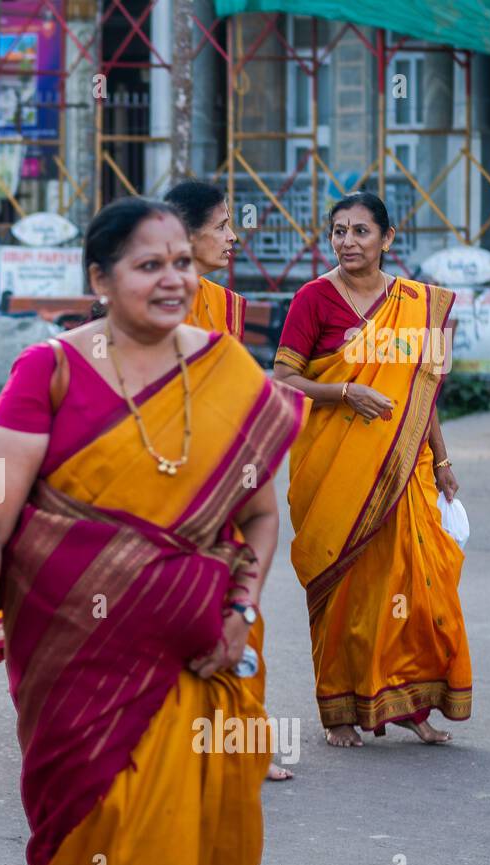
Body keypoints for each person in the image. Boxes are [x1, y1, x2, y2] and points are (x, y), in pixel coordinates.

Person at [0, 198, 303, 865]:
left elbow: (261, 516)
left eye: (182, 264)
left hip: (198, 667)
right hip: (73, 671)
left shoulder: (228, 371)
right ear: (99, 277)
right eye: (148, 265)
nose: (173, 280)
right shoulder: (51, 371)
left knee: (197, 862)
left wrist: (241, 606)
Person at [272, 191, 472, 748]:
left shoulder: (417, 302)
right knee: (348, 589)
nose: (348, 241)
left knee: (423, 589)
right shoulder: (313, 299)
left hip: (408, 466)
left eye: (361, 231)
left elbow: (423, 393)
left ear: (387, 238)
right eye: (338, 231)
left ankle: (412, 702)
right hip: (336, 472)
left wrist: (443, 459)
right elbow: (282, 380)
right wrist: (342, 392)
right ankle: (339, 708)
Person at [166, 178, 291, 783]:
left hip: (224, 484)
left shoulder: (222, 305)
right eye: (221, 225)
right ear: (184, 234)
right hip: (160, 487)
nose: (233, 236)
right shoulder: (150, 302)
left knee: (241, 612)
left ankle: (239, 736)